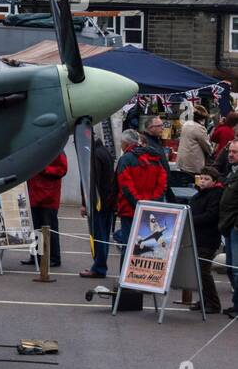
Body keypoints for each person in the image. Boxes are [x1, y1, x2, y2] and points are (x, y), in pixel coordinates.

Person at [115, 129, 167, 258]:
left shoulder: (126, 159)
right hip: (150, 208)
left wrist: (139, 203)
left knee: (128, 245)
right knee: (148, 247)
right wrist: (153, 202)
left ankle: (125, 275)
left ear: (126, 144)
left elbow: (125, 186)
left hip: (131, 209)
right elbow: (162, 183)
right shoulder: (153, 158)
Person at [79, 136, 117, 278]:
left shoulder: (94, 154)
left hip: (98, 204)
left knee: (98, 236)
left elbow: (91, 181)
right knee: (103, 236)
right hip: (106, 202)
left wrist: (85, 204)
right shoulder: (104, 152)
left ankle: (99, 267)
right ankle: (100, 266)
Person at [188, 166, 223, 313]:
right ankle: (204, 300)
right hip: (197, 237)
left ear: (214, 181)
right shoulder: (198, 195)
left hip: (208, 239)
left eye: (206, 179)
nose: (202, 181)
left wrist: (190, 219)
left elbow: (211, 216)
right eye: (201, 178)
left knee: (203, 271)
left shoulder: (215, 194)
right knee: (198, 271)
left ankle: (213, 304)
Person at [22, 152, 67, 268]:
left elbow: (62, 170)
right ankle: (36, 255)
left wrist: (44, 169)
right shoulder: (38, 149)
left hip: (48, 196)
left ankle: (54, 257)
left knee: (50, 229)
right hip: (35, 193)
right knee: (35, 228)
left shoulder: (57, 150)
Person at [219, 139, 238, 317]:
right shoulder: (232, 171)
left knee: (237, 269)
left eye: (235, 152)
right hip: (228, 225)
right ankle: (236, 304)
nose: (231, 155)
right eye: (230, 151)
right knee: (232, 267)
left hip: (235, 227)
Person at [176, 108, 213, 174]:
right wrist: (211, 151)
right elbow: (206, 145)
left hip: (183, 161)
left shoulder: (186, 124)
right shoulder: (199, 128)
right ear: (202, 118)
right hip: (193, 162)